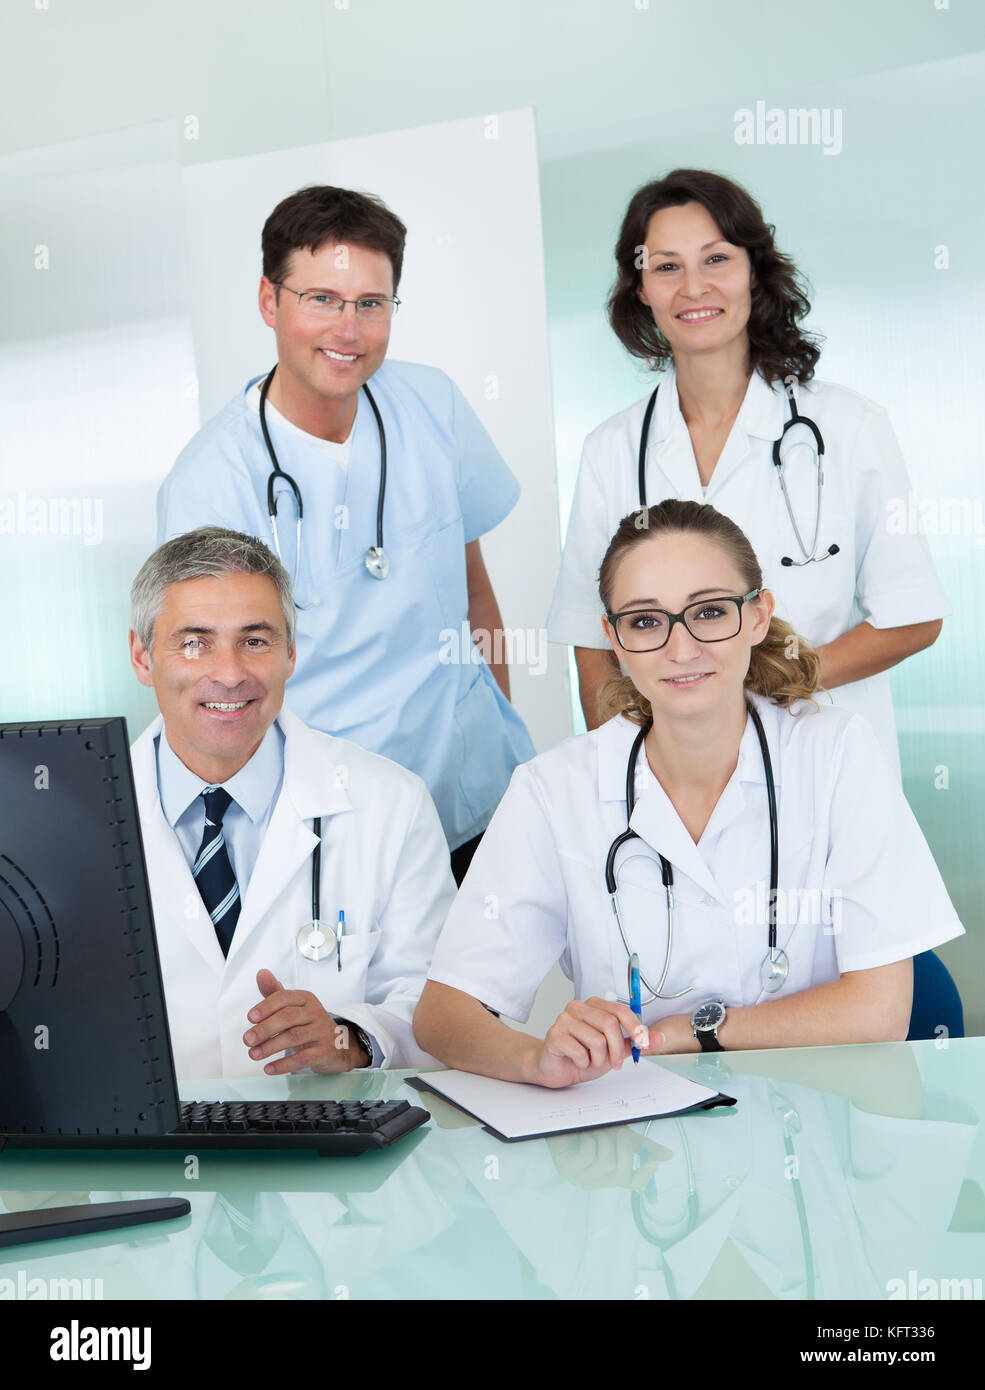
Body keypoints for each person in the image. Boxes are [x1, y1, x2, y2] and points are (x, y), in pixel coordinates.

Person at [414, 500, 964, 1087]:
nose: (680, 649)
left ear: (758, 616)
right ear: (613, 639)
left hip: (814, 1130)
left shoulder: (835, 754)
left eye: (708, 612)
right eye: (646, 621)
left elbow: (879, 1012)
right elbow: (443, 1015)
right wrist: (536, 1060)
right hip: (640, 1147)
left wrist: (691, 1031)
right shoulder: (554, 790)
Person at [156, 184, 534, 884]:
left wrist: (497, 723)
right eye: (321, 299)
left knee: (484, 998)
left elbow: (474, 595)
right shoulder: (210, 482)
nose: (348, 330)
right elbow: (217, 684)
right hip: (338, 829)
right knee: (366, 999)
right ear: (271, 302)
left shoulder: (433, 405)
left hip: (476, 798)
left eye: (370, 303)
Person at [546, 168, 950, 778]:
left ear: (753, 273)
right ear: (641, 290)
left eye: (716, 259)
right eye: (666, 266)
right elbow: (593, 641)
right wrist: (627, 782)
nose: (694, 288)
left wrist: (780, 675)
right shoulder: (612, 450)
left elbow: (913, 615)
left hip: (825, 769)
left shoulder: (847, 426)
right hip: (676, 780)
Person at [128, 525, 456, 1079]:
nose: (229, 674)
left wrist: (350, 1037)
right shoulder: (76, 817)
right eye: (194, 642)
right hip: (139, 1155)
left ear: (291, 654)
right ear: (142, 657)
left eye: (255, 640)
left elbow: (441, 1010)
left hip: (327, 1150)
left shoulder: (390, 804)